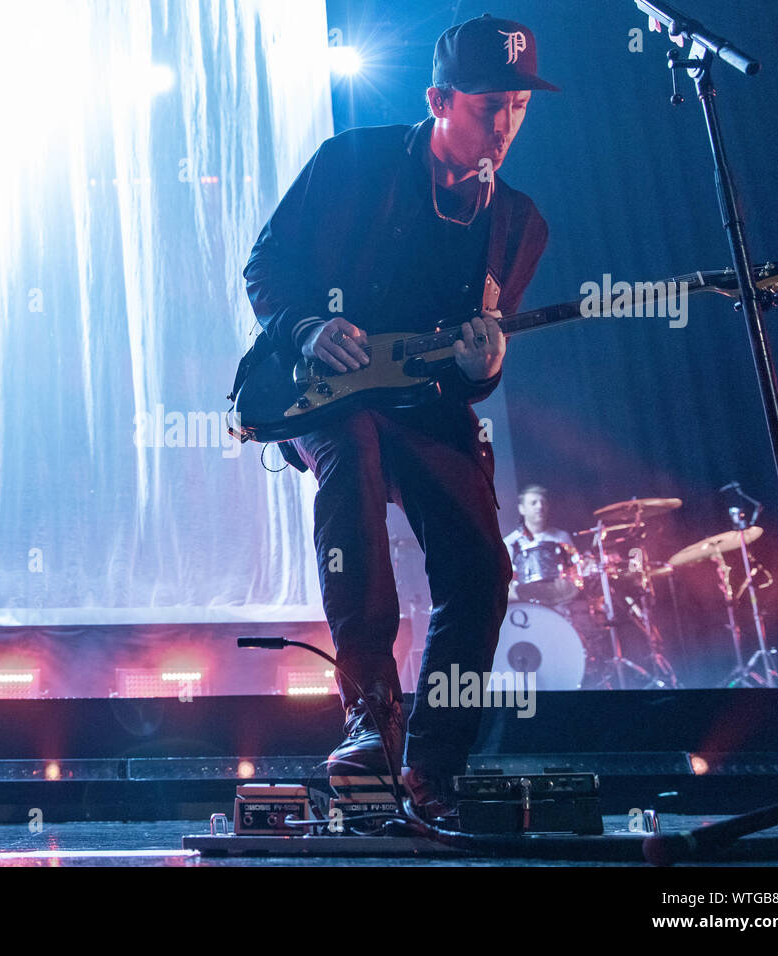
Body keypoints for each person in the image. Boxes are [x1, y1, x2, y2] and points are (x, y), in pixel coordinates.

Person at [242, 14, 557, 823]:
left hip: (426, 404)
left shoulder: (519, 224)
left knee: (481, 571)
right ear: (439, 100)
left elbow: (477, 362)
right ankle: (370, 720)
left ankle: (433, 769)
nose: (504, 125)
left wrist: (485, 368)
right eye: (488, 105)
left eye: (518, 106)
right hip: (327, 391)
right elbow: (265, 264)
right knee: (351, 462)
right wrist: (308, 326)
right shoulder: (352, 161)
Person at [504, 484, 578, 600]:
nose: (539, 506)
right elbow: (502, 585)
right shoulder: (509, 543)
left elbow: (576, 572)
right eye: (533, 503)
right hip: (526, 605)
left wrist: (569, 584)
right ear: (522, 509)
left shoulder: (562, 537)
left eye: (543, 503)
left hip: (560, 602)